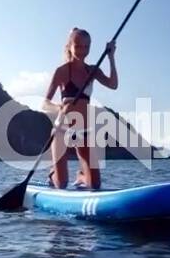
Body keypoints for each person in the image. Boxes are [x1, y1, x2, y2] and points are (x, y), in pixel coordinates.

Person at [42, 27, 118, 189]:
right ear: (69, 46)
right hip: (62, 129)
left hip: (83, 131)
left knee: (95, 184)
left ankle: (81, 177)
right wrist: (60, 107)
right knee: (62, 184)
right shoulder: (62, 71)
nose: (82, 50)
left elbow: (113, 84)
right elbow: (45, 104)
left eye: (86, 46)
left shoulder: (93, 70)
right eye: (78, 46)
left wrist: (111, 57)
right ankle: (53, 174)